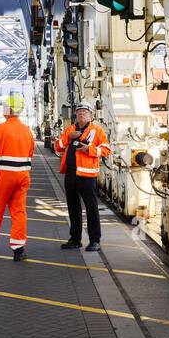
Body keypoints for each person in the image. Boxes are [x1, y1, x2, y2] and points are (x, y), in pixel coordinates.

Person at [0, 92, 35, 261]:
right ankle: (18, 250)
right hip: (22, 176)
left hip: (3, 176)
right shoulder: (27, 131)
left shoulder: (0, 128)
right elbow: (30, 153)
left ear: (9, 109)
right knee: (19, 212)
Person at [53, 102, 109, 251]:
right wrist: (68, 138)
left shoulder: (97, 131)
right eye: (78, 112)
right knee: (73, 207)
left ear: (91, 115)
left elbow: (106, 149)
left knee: (91, 208)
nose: (81, 114)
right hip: (71, 173)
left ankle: (95, 241)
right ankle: (75, 239)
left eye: (84, 112)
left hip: (87, 174)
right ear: (75, 116)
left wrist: (88, 149)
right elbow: (58, 147)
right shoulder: (69, 130)